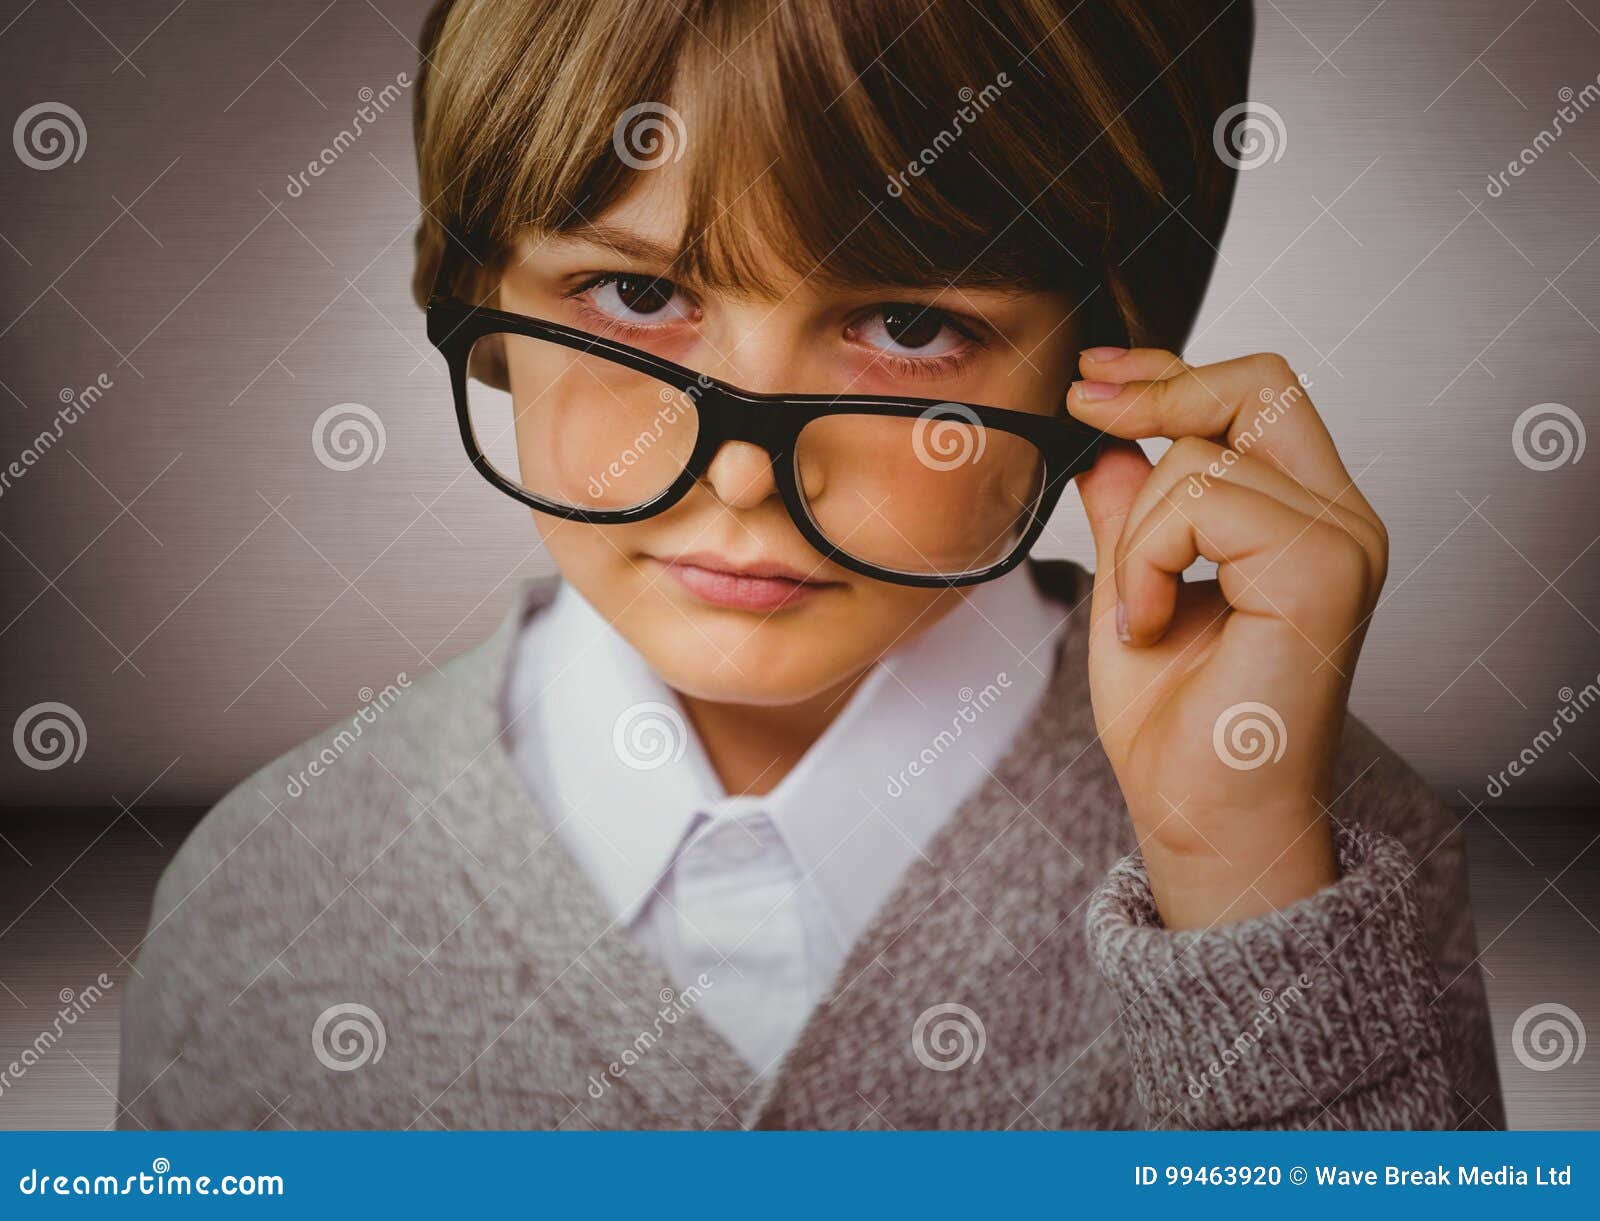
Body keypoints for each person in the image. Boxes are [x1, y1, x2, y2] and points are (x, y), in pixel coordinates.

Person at [118, 0, 1503, 1130]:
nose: (740, 474)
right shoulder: (264, 901)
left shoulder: (1318, 848)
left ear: (1107, 355)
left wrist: (1240, 887)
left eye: (906, 325)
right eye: (640, 296)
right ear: (479, 294)